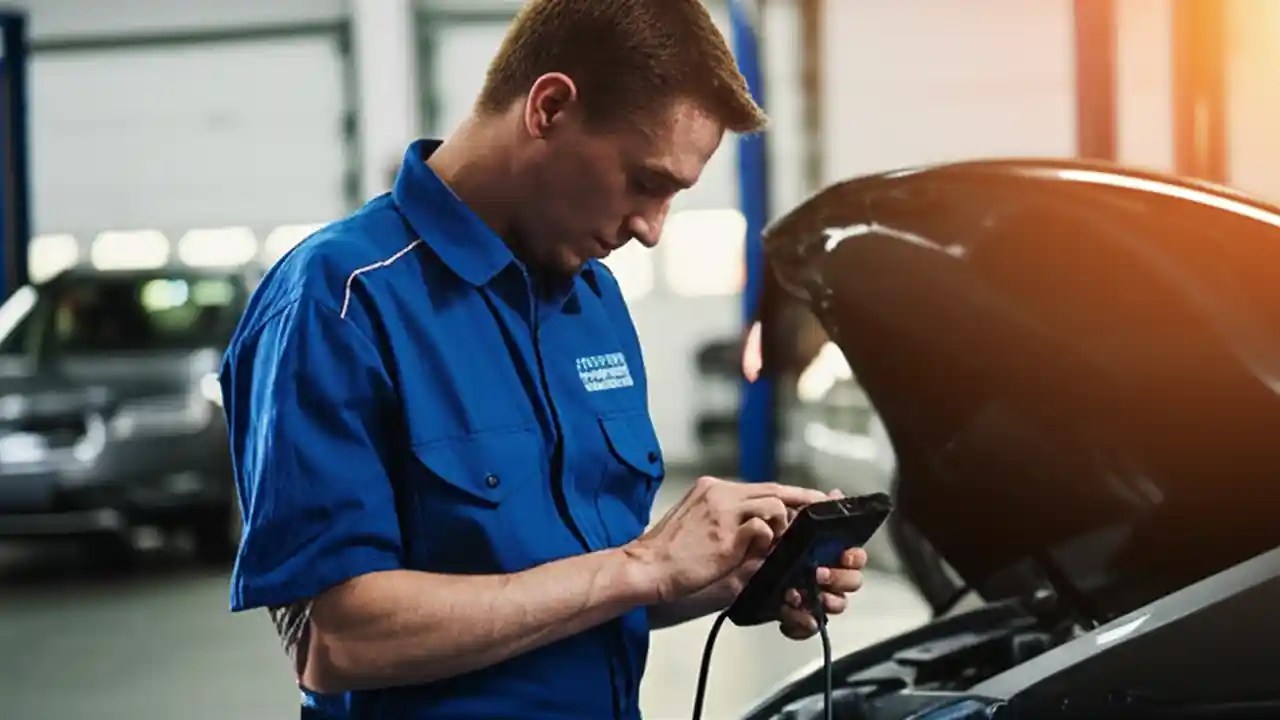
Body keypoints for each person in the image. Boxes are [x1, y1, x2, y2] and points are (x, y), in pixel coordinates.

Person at [219, 1, 869, 717]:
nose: (652, 230)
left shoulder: (591, 299)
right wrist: (645, 564)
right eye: (646, 182)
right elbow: (336, 641)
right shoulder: (336, 300)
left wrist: (729, 575)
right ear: (550, 107)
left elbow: (585, 591)